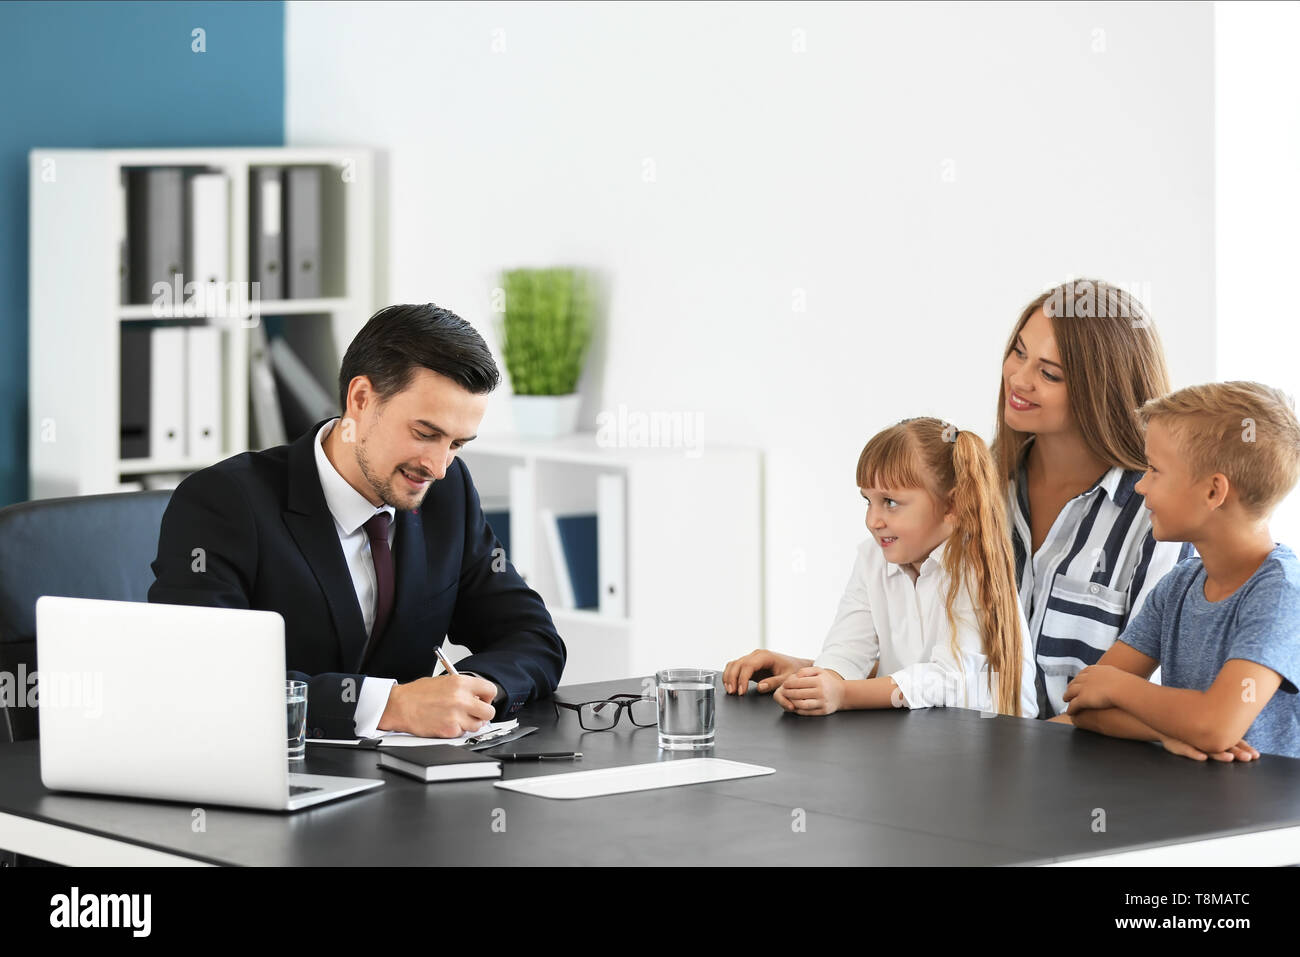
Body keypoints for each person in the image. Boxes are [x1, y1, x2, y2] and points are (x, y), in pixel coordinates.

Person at [148, 303, 566, 740]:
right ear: (361, 399)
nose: (439, 466)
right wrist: (390, 706)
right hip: (272, 778)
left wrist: (466, 692)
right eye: (425, 434)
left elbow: (533, 635)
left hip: (408, 785)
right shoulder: (223, 503)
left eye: (457, 444)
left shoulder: (448, 492)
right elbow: (202, 672)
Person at [723, 417, 1037, 718]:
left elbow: (948, 680)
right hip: (920, 740)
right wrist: (816, 681)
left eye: (890, 502)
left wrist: (843, 695)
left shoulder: (976, 567)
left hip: (992, 749)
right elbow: (847, 650)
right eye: (867, 501)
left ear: (952, 506)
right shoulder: (871, 558)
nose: (873, 521)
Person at [1058, 381, 1300, 761]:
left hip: (1266, 820)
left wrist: (1119, 688)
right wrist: (1164, 731)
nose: (1140, 485)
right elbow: (1084, 706)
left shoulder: (1281, 594)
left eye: (1155, 470)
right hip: (1192, 810)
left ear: (1213, 492)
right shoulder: (1179, 585)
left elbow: (1216, 726)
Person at [992, 279, 1193, 718]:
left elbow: (1135, 699)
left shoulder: (1159, 518)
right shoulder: (981, 487)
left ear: (1102, 391)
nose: (1018, 379)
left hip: (1094, 775)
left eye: (1048, 373)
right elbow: (932, 655)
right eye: (1019, 352)